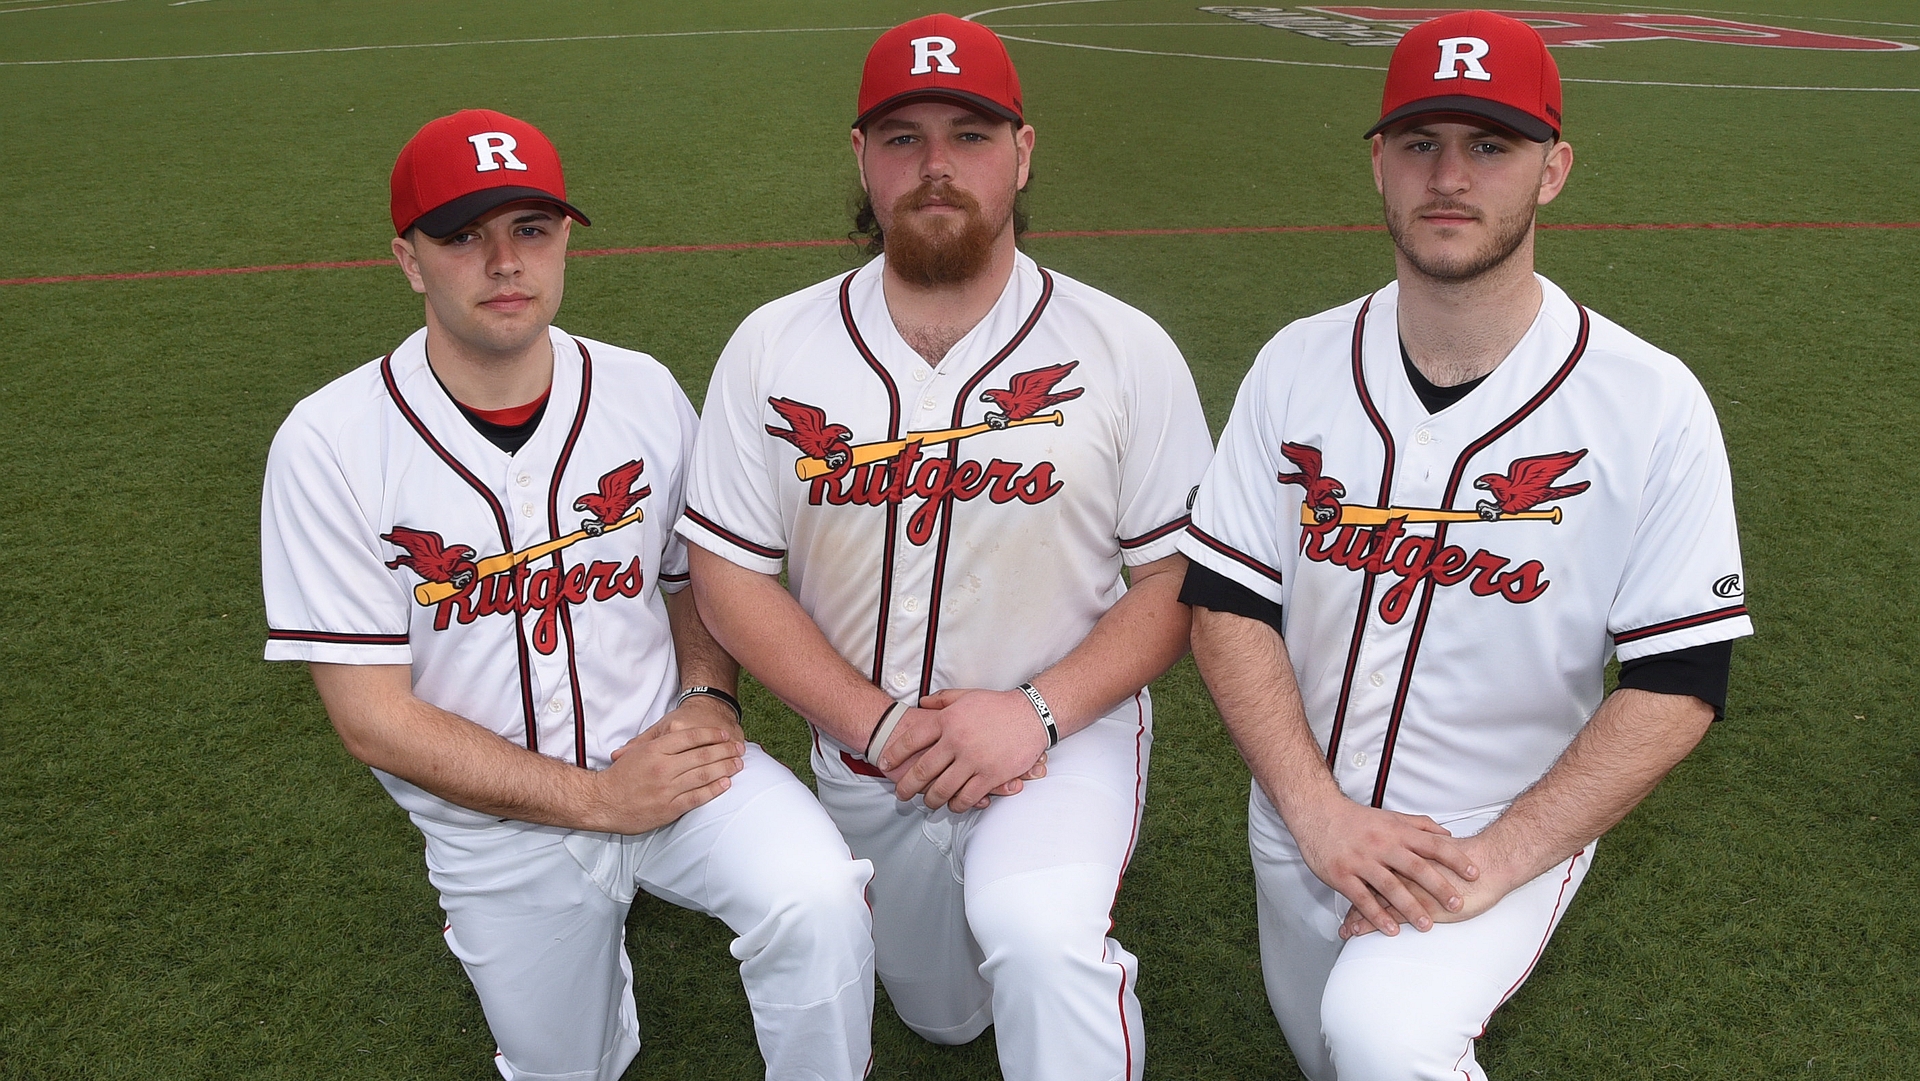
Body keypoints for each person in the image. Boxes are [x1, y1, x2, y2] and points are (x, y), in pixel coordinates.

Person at [1178, 11, 1752, 1080]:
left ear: (1553, 170)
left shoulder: (1649, 402)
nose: (1451, 175)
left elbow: (1680, 677)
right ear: (1378, 166)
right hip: (1300, 816)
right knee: (1330, 1050)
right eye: (1421, 143)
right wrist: (1317, 814)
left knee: (1389, 1037)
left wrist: (1498, 860)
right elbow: (1226, 599)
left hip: (1490, 830)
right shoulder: (1296, 364)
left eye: (1491, 145)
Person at [259, 108, 874, 1081]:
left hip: (667, 763)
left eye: (531, 230)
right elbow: (374, 720)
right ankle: (591, 992)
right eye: (464, 235)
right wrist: (595, 800)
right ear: (409, 260)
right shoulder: (329, 443)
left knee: (821, 899)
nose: (505, 261)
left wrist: (708, 697)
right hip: (498, 824)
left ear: (564, 244)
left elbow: (689, 581)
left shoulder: (638, 392)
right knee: (568, 1068)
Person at [675, 15, 1214, 1081]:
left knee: (1038, 934)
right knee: (943, 1017)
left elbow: (1178, 578)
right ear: (862, 159)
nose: (936, 166)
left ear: (1023, 151)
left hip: (1063, 735)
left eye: (970, 134)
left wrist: (1039, 710)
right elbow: (730, 572)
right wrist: (873, 721)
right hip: (865, 750)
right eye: (903, 136)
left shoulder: (1120, 348)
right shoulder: (774, 345)